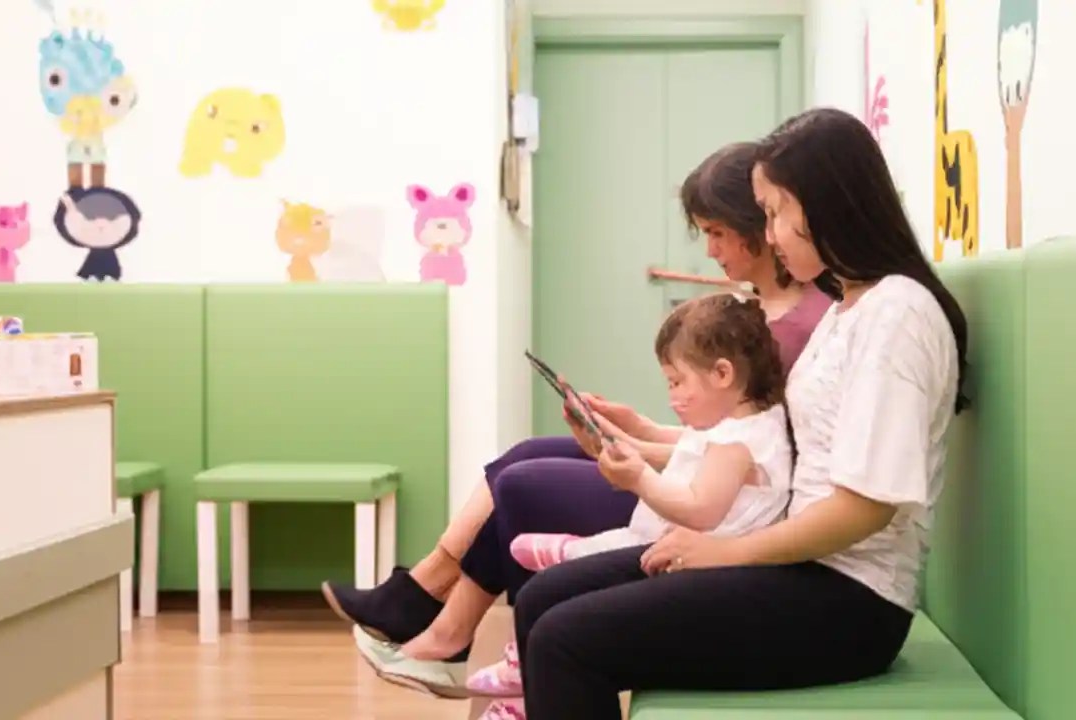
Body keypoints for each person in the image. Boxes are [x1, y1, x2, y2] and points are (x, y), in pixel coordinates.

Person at [507, 106, 970, 720]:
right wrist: (644, 445)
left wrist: (726, 551)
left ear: (825, 204)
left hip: (852, 602)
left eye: (775, 213)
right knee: (541, 598)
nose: (769, 235)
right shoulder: (848, 308)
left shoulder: (898, 314)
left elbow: (866, 508)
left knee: (565, 641)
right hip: (803, 566)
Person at [322, 142, 833, 694]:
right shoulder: (758, 307)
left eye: (716, 232)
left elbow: (745, 457)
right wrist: (635, 429)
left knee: (522, 484)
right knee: (526, 454)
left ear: (755, 224)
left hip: (713, 505)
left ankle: (446, 628)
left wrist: (639, 456)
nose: (709, 250)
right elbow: (722, 440)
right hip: (705, 476)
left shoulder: (797, 330)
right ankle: (428, 599)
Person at [464, 293, 793, 706]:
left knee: (563, 602)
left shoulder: (737, 440)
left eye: (677, 382)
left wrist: (638, 478)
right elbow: (688, 451)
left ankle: (572, 560)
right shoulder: (746, 423)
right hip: (682, 549)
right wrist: (623, 436)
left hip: (701, 566)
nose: (672, 397)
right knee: (550, 593)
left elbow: (699, 510)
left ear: (722, 373)